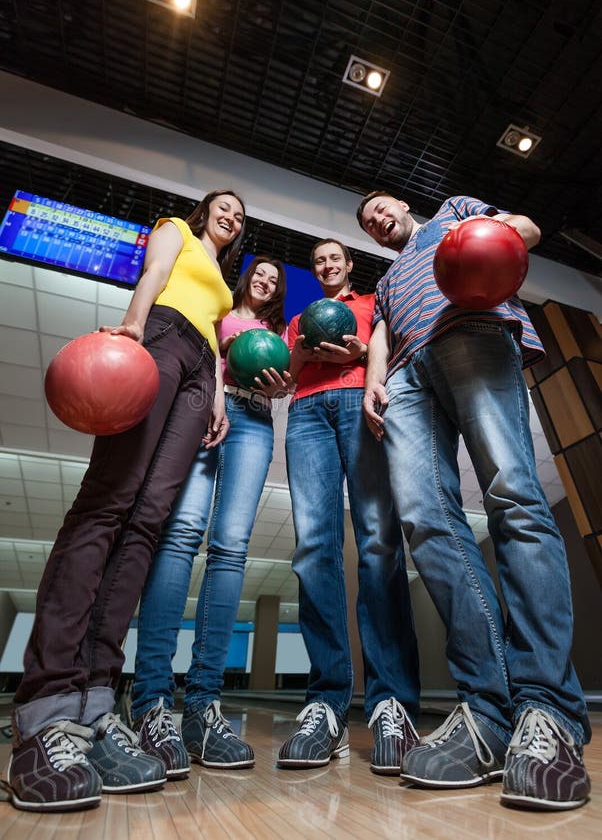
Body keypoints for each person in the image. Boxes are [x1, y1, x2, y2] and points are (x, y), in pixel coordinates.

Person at [6, 189, 246, 812]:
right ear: (203, 213)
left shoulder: (224, 278)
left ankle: (94, 703)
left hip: (200, 368)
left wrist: (218, 391)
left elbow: (218, 341)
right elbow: (156, 274)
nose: (232, 216)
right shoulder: (178, 232)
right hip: (162, 335)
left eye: (241, 216)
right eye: (224, 207)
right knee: (109, 504)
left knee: (147, 525)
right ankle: (45, 713)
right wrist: (135, 327)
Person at [357, 191, 591, 810]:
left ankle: (551, 712)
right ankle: (488, 711)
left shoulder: (454, 212)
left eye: (380, 209)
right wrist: (374, 378)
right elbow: (380, 330)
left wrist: (503, 236)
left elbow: (527, 224)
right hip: (405, 375)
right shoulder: (383, 281)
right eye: (368, 224)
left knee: (511, 496)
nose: (377, 222)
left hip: (471, 327)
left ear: (402, 205)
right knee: (425, 523)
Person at [130, 256, 291, 775]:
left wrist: (280, 385)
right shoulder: (219, 309)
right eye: (259, 273)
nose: (265, 281)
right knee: (179, 536)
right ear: (246, 279)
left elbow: (290, 381)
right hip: (207, 409)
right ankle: (151, 702)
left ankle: (203, 707)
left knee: (230, 550)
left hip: (257, 421)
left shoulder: (278, 331)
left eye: (275, 278)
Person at [277, 238, 420, 773]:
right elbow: (285, 380)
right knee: (314, 549)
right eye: (318, 261)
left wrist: (361, 355)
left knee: (380, 544)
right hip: (308, 413)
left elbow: (391, 353)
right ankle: (327, 703)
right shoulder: (300, 319)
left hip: (361, 405)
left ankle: (392, 705)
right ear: (314, 271)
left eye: (334, 257)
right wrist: (302, 353)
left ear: (349, 265)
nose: (327, 265)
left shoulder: (370, 305)